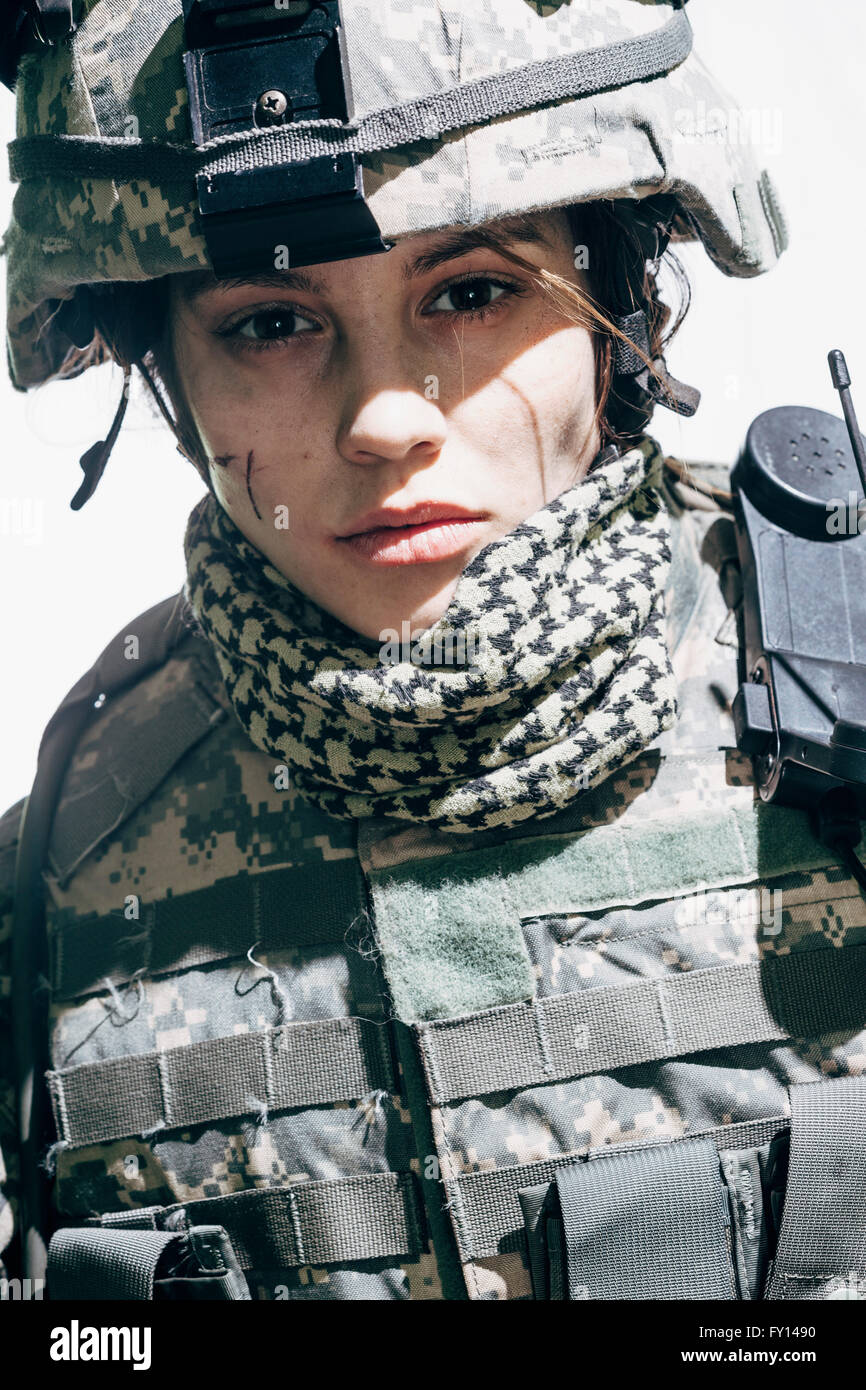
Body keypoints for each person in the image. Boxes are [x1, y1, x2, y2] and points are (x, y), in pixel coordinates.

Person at [1, 0, 864, 1303]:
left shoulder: (832, 679)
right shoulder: (61, 871)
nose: (383, 417)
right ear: (162, 360)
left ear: (616, 295)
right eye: (269, 321)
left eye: (471, 291)